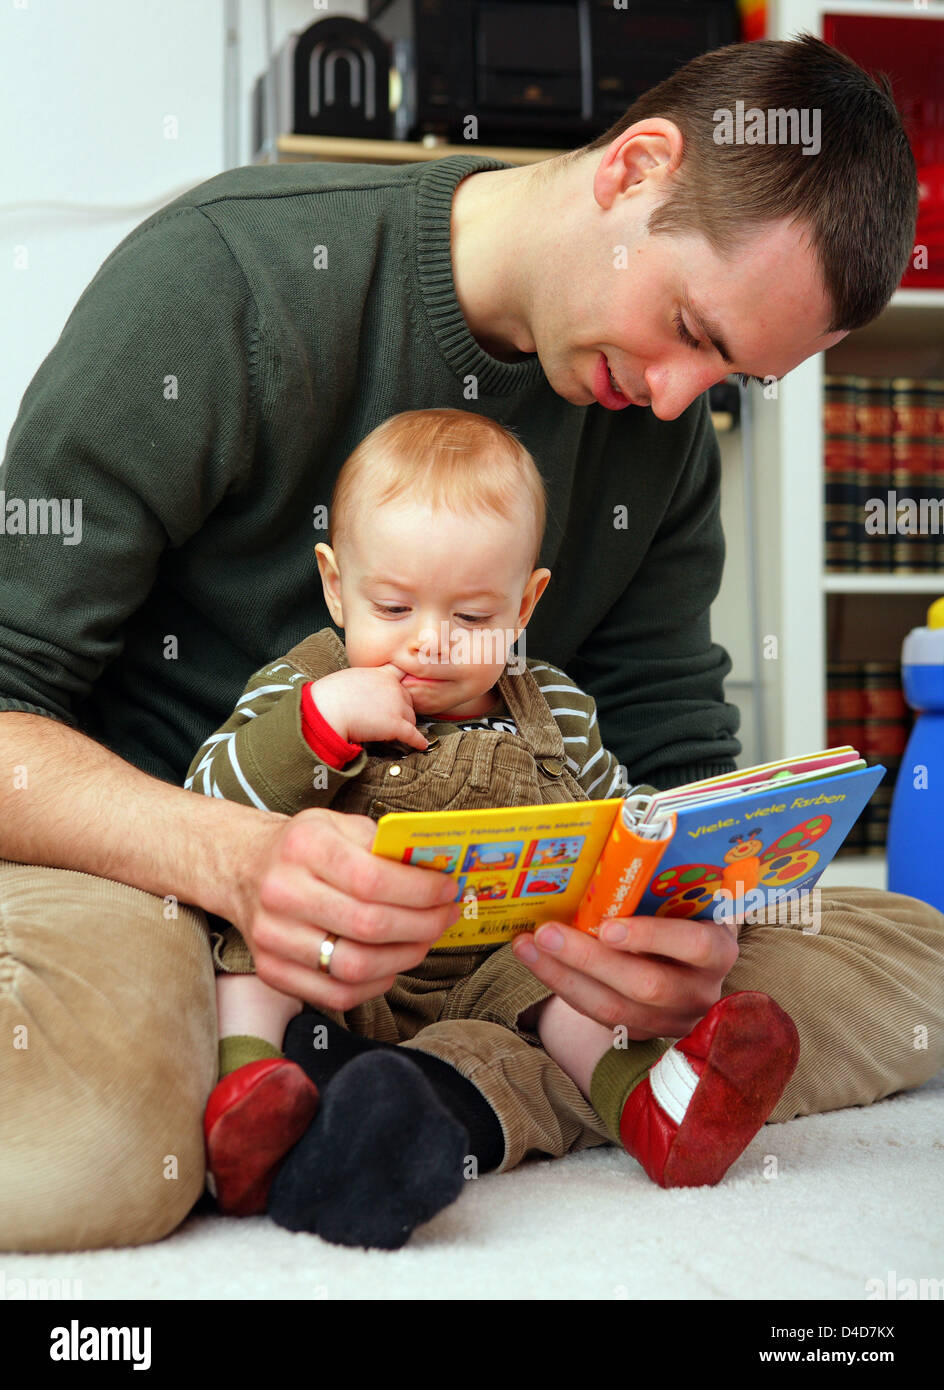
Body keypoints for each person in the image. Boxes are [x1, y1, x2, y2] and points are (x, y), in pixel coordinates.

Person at [1, 32, 941, 1253]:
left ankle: (410, 1099)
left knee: (905, 949)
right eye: (689, 329)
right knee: (92, 1142)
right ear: (635, 168)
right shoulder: (224, 277)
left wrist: (682, 929)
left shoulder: (652, 428)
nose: (671, 401)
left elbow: (670, 743)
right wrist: (236, 860)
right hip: (175, 886)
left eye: (726, 381)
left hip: (488, 935)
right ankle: (388, 1076)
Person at [192, 408, 800, 1247]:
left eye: (474, 619)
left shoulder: (553, 708)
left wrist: (674, 874)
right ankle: (248, 1086)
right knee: (249, 940)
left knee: (575, 988)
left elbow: (622, 814)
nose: (431, 645)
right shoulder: (304, 683)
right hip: (341, 964)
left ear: (527, 601)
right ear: (336, 585)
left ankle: (655, 1108)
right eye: (395, 606)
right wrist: (316, 725)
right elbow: (209, 795)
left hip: (499, 976)